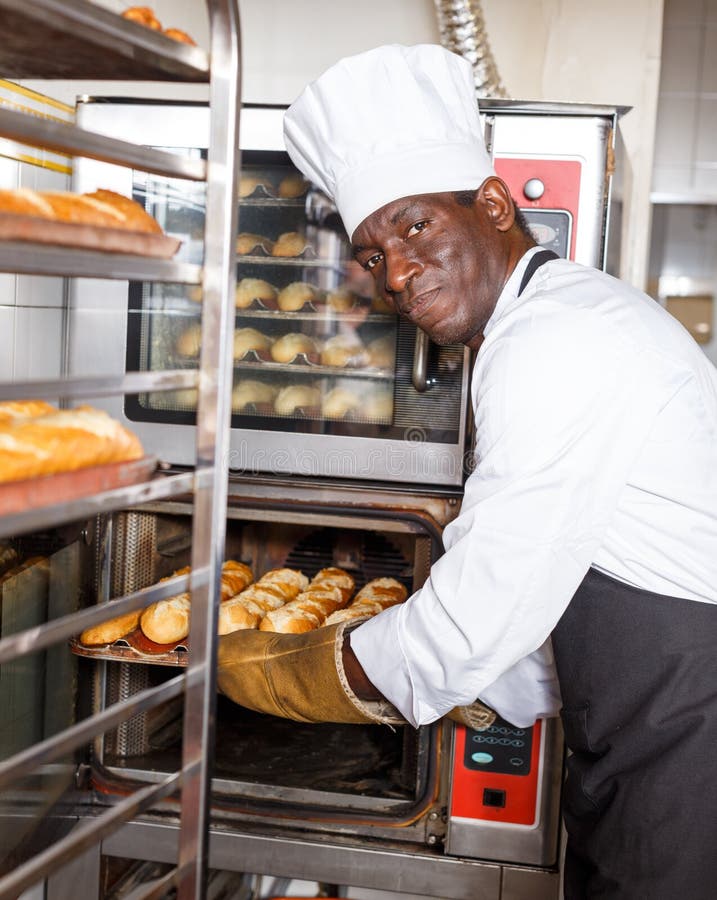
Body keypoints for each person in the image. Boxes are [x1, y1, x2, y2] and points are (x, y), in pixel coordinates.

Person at [217, 44, 717, 899]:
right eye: (372, 254)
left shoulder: (557, 338)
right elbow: (552, 579)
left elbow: (482, 609)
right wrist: (478, 691)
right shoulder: (544, 321)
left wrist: (294, 672)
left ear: (490, 202)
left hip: (685, 732)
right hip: (648, 713)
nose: (396, 275)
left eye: (414, 226)